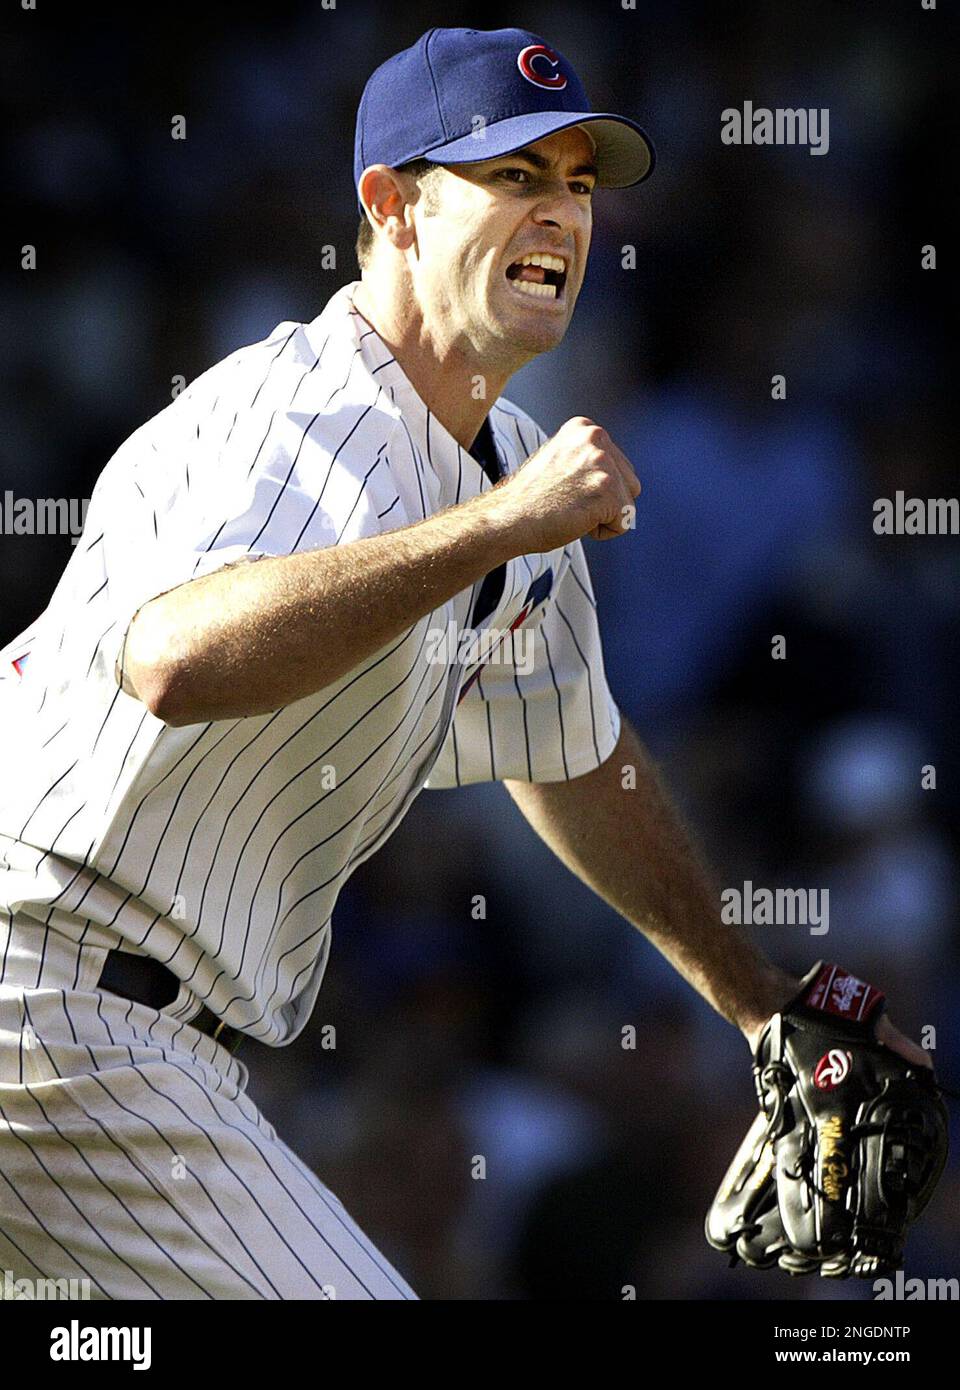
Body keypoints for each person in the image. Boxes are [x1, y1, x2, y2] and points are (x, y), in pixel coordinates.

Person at [0, 25, 927, 1301]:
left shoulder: (504, 467)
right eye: (512, 176)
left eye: (577, 183)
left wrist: (756, 999)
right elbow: (170, 656)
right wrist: (503, 524)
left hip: (115, 1038)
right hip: (56, 1007)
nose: (559, 212)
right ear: (392, 206)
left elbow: (576, 757)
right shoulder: (307, 414)